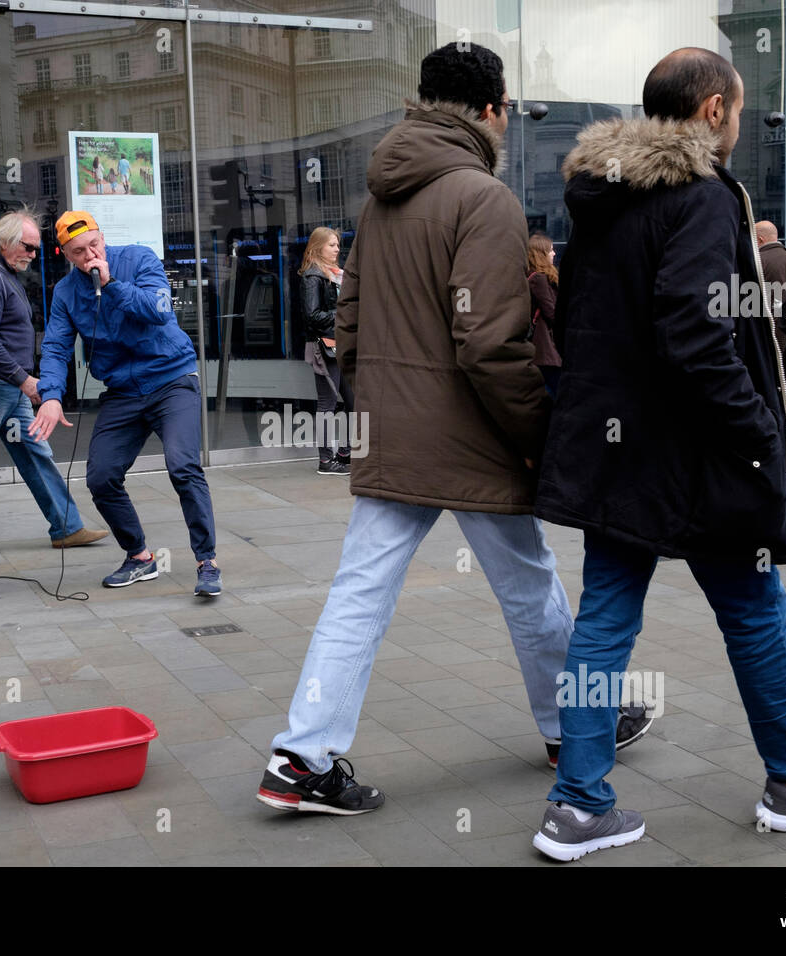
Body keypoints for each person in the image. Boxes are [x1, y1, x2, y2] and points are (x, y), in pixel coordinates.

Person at [254, 43, 651, 817]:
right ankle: (574, 728)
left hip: (392, 431)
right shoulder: (484, 198)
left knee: (359, 592)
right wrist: (536, 431)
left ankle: (301, 756)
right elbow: (489, 345)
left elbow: (352, 321)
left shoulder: (379, 199)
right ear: (493, 110)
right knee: (531, 585)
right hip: (472, 436)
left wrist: (374, 404)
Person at [531, 48, 786, 860]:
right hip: (696, 455)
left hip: (620, 455)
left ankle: (577, 806)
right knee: (754, 610)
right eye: (737, 104)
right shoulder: (700, 196)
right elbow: (693, 331)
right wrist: (757, 432)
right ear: (714, 111)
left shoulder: (598, 199)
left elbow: (590, 326)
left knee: (605, 619)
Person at [29, 210, 222, 597]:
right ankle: (139, 557)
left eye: (94, 245)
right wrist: (50, 397)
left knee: (182, 465)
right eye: (79, 251)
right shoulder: (66, 292)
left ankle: (207, 562)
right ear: (65, 255)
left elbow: (158, 310)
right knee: (100, 476)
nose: (89, 255)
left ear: (103, 237)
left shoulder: (138, 258)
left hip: (171, 378)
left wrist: (111, 283)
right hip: (122, 391)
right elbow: (54, 347)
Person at [0, 210, 108, 549]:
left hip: (4, 387)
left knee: (36, 454)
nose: (33, 254)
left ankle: (67, 526)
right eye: (28, 246)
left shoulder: (2, 274)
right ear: (6, 243)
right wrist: (24, 380)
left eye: (37, 248)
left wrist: (22, 381)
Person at [299, 226, 353, 475]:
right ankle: (325, 460)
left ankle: (345, 451)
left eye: (338, 245)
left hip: (340, 344)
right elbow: (312, 316)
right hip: (325, 347)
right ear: (318, 246)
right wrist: (343, 314)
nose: (337, 249)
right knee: (327, 404)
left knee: (353, 401)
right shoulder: (314, 276)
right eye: (332, 245)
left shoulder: (335, 275)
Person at [755, 221, 786, 436]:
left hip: (767, 334)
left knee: (769, 383)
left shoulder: (757, 262)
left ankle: (777, 429)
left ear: (759, 240)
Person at [526, 232, 563, 397]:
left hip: (545, 348)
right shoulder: (539, 279)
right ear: (541, 254)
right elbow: (552, 313)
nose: (554, 253)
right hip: (546, 348)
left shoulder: (541, 277)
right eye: (551, 250)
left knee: (549, 392)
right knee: (560, 393)